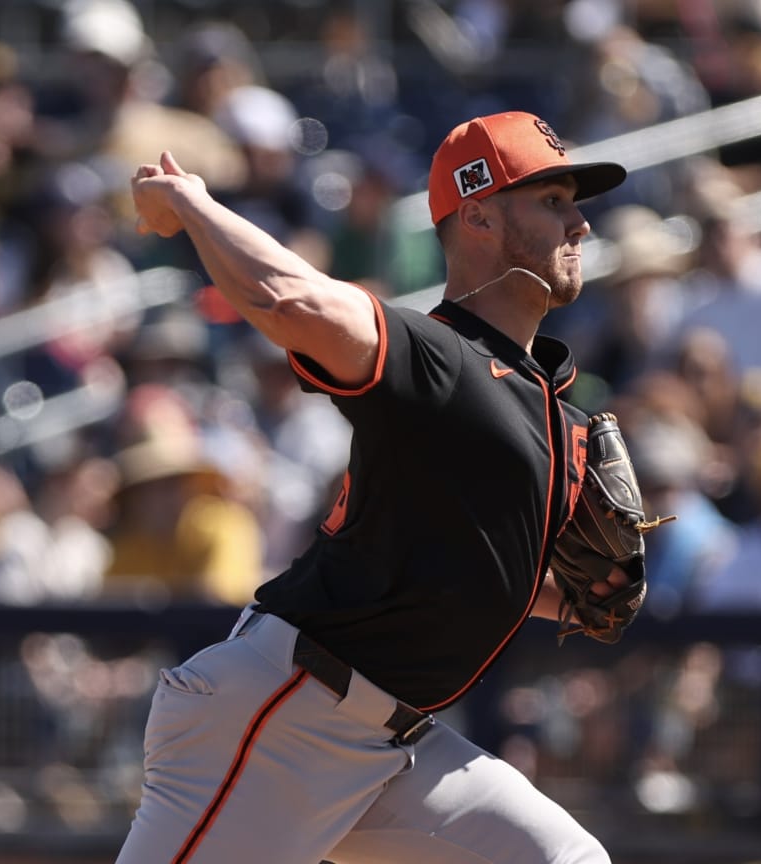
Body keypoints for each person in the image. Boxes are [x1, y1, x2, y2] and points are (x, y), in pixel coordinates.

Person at [119, 110, 628, 862]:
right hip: (283, 717)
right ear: (479, 215)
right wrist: (195, 205)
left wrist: (582, 593)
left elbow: (470, 564)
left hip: (390, 746)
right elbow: (292, 301)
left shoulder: (550, 411)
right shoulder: (438, 354)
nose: (580, 223)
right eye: (552, 201)